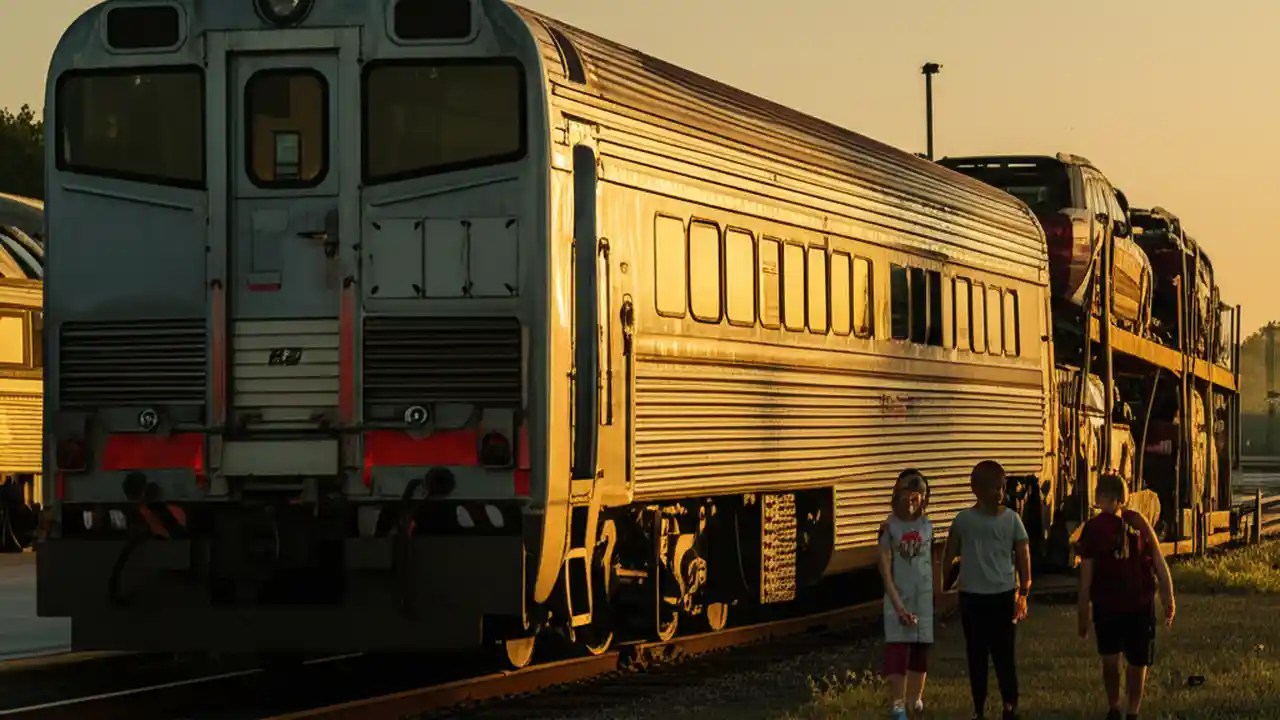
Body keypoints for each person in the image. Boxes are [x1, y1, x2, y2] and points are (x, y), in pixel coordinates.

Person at [1076, 474, 1176, 720]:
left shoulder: (1092, 529)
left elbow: (1086, 578)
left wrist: (1082, 612)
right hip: (1139, 602)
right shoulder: (1138, 521)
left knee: (1110, 660)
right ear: (1124, 497)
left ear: (1099, 496)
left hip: (1106, 604)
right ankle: (1133, 710)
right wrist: (1168, 595)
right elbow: (1158, 561)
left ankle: (1113, 707)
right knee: (1138, 661)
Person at [942, 460, 1032, 720]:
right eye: (995, 488)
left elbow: (1024, 558)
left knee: (991, 655)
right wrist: (943, 587)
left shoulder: (1001, 520)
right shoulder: (976, 521)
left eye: (1002, 488)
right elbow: (950, 555)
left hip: (991, 596)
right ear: (978, 490)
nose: (1000, 494)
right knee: (988, 655)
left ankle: (998, 707)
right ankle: (992, 707)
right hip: (984, 596)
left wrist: (1023, 592)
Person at [877, 469, 935, 720]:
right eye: (906, 498)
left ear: (924, 499)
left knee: (920, 650)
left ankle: (915, 699)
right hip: (897, 598)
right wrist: (899, 606)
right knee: (898, 651)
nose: (911, 504)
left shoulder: (927, 526)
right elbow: (884, 569)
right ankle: (898, 705)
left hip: (922, 598)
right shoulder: (888, 528)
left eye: (916, 498)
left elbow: (928, 563)